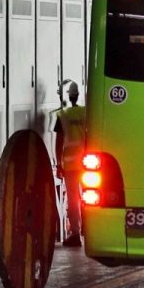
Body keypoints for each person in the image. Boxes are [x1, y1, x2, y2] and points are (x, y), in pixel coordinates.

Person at [53, 80, 87, 245]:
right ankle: (91, 229)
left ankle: (75, 234)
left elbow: (59, 142)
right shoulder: (85, 113)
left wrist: (58, 164)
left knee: (74, 199)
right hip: (88, 163)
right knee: (90, 197)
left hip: (71, 165)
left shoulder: (63, 115)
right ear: (77, 95)